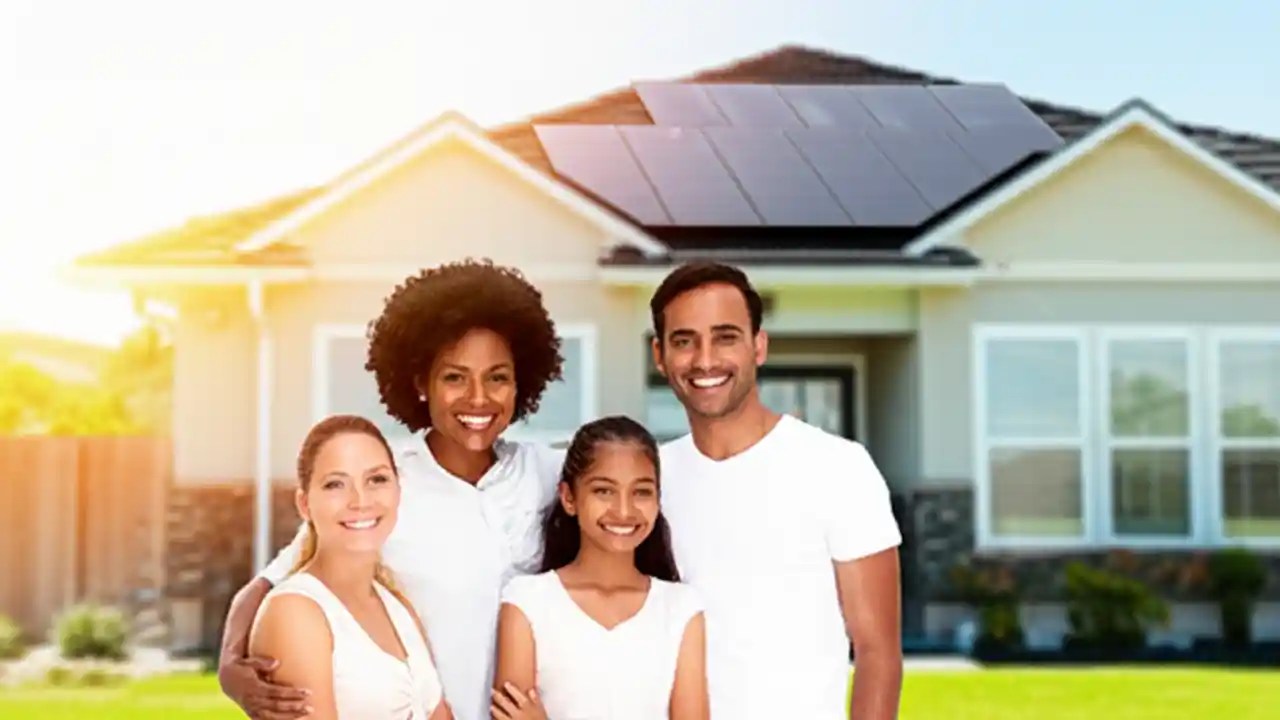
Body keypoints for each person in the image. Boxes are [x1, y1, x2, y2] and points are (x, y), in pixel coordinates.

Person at [219, 259, 566, 720]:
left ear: (521, 382)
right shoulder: (382, 485)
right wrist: (230, 668)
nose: (478, 398)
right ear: (421, 383)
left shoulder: (549, 474)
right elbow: (271, 582)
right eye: (454, 377)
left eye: (497, 377)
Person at [649, 261, 904, 720]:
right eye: (684, 341)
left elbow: (877, 652)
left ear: (759, 346)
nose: (705, 360)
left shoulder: (838, 468)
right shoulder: (648, 484)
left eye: (725, 337)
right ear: (660, 355)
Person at [491, 415, 709, 720]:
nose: (624, 510)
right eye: (604, 491)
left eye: (641, 492)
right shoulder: (527, 602)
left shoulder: (680, 608)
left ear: (658, 499)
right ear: (569, 498)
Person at [248, 414, 451, 720]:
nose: (360, 500)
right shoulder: (295, 612)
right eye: (335, 484)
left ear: (398, 489)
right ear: (304, 504)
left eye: (377, 480)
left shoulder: (398, 607)